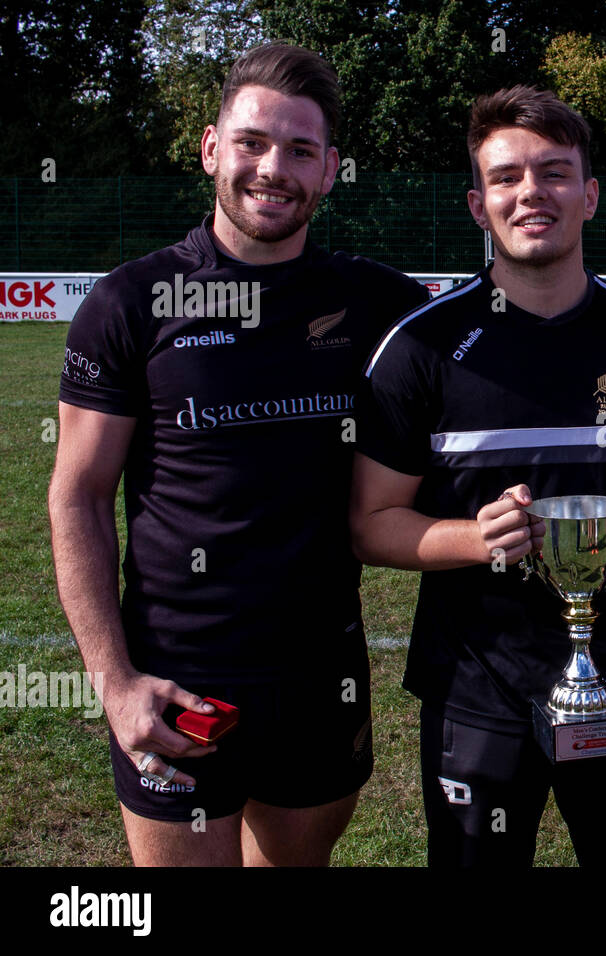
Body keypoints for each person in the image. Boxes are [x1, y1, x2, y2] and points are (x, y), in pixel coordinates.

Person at [48, 42, 435, 865]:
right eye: (253, 142)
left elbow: (509, 319)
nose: (273, 168)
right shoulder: (129, 303)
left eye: (300, 150)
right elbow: (76, 496)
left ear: (330, 170)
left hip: (319, 676)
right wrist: (114, 684)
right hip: (175, 680)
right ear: (211, 149)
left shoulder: (373, 302)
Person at [349, 86, 606, 866]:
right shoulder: (421, 348)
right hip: (476, 685)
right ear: (479, 205)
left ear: (590, 194)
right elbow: (371, 521)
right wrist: (474, 538)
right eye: (506, 177)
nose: (530, 193)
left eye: (553, 172)